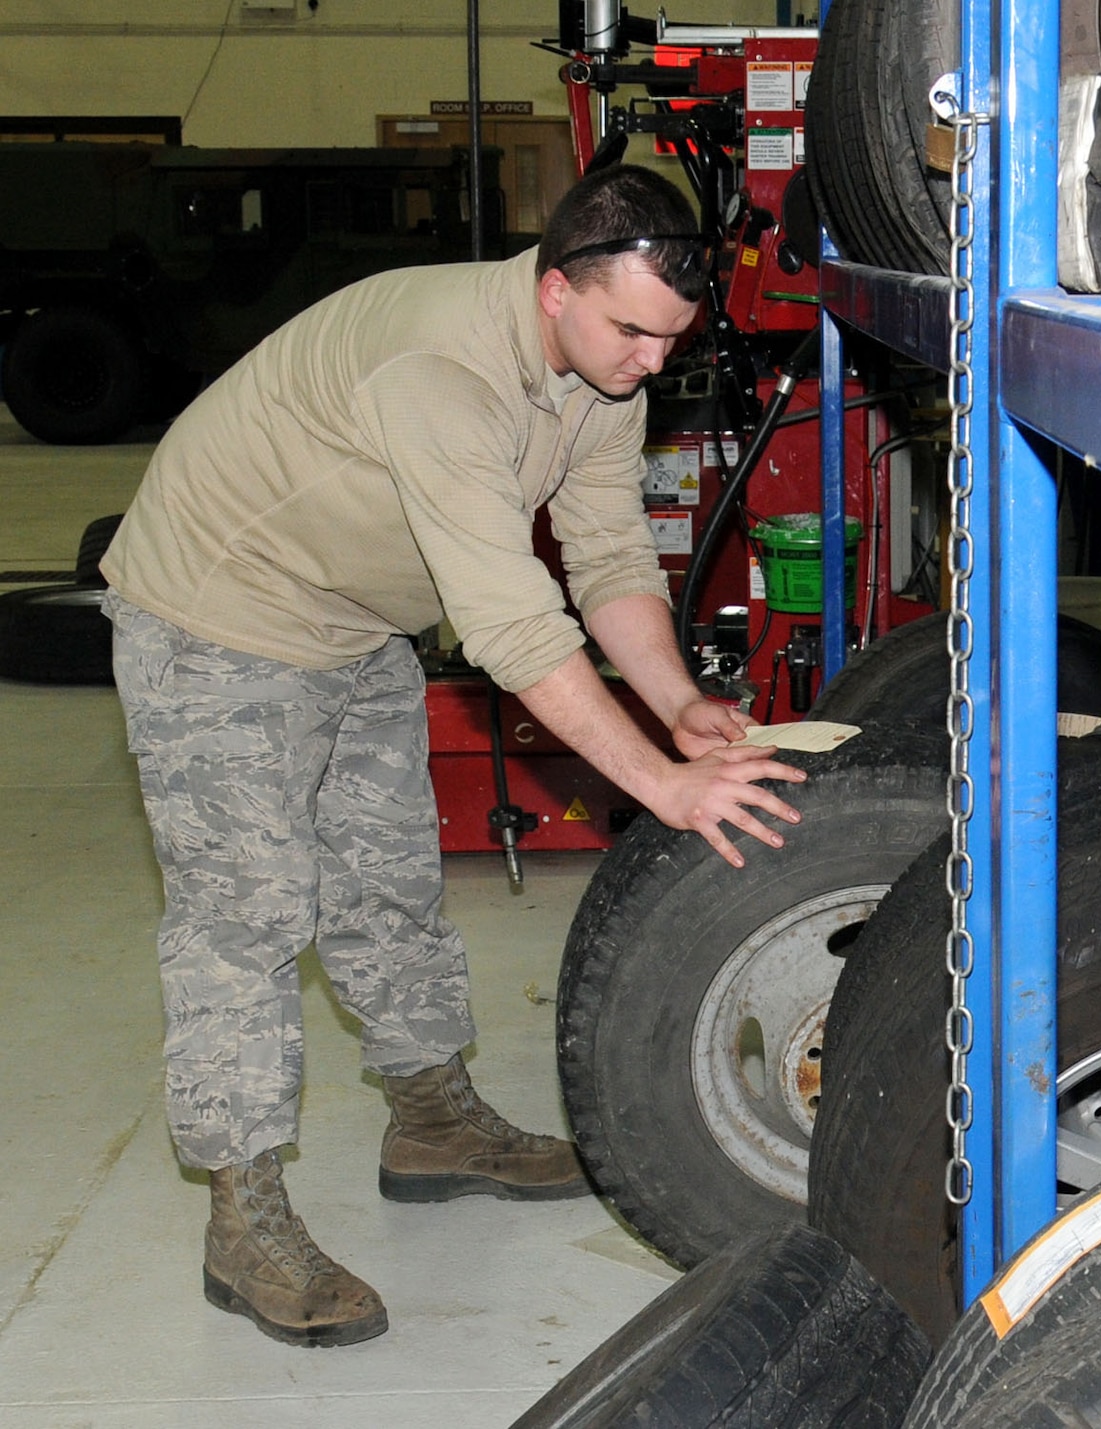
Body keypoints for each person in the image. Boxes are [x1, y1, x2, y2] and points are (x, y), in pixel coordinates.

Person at [100, 164, 805, 1348]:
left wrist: (678, 703)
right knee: (248, 911)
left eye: (669, 343)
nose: (647, 363)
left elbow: (608, 556)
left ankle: (431, 1118)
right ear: (552, 291)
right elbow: (515, 630)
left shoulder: (600, 371)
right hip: (216, 615)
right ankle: (242, 1212)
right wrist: (663, 786)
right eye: (631, 332)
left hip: (351, 615)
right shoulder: (440, 371)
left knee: (387, 880)